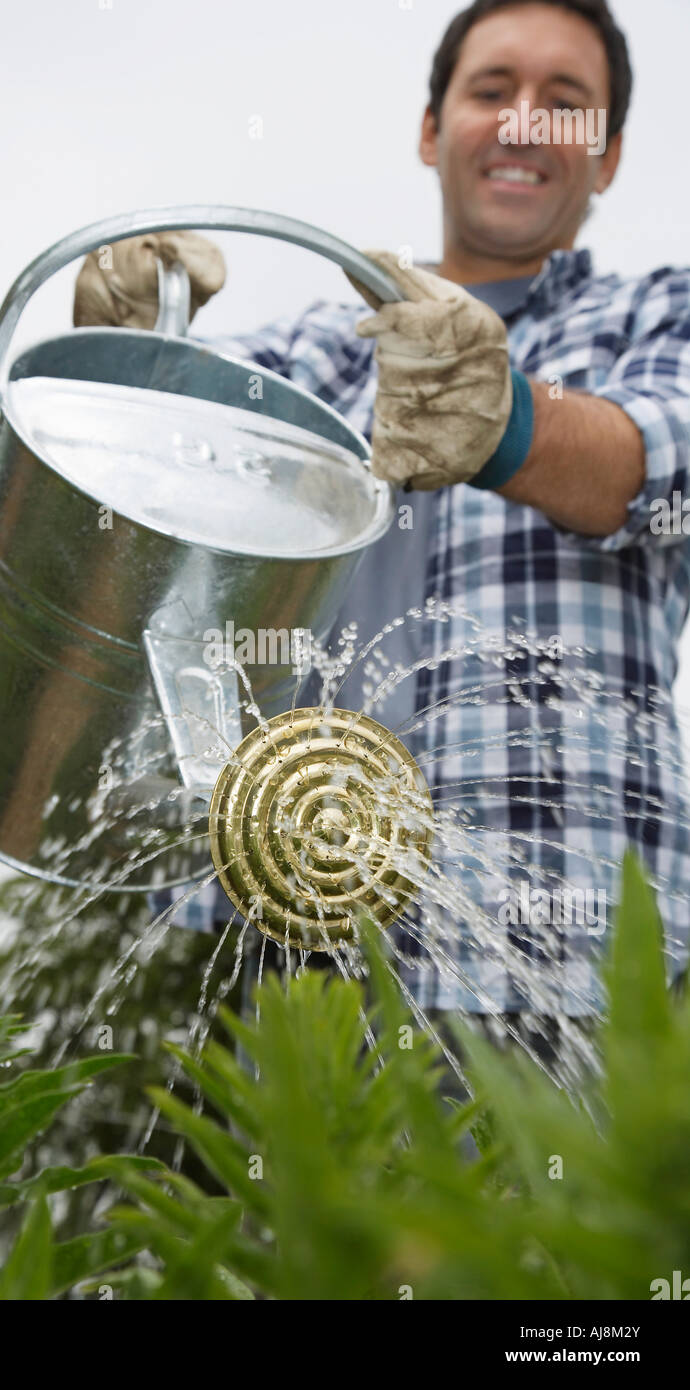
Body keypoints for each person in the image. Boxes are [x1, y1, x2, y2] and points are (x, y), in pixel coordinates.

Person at [72, 0, 690, 1074]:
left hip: (575, 961)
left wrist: (510, 421)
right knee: (308, 1244)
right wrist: (127, 343)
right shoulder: (318, 351)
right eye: (492, 92)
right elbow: (160, 467)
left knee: (566, 1245)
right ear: (428, 129)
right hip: (301, 970)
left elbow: (655, 459)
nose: (523, 123)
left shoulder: (653, 316)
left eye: (565, 103)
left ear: (608, 156)